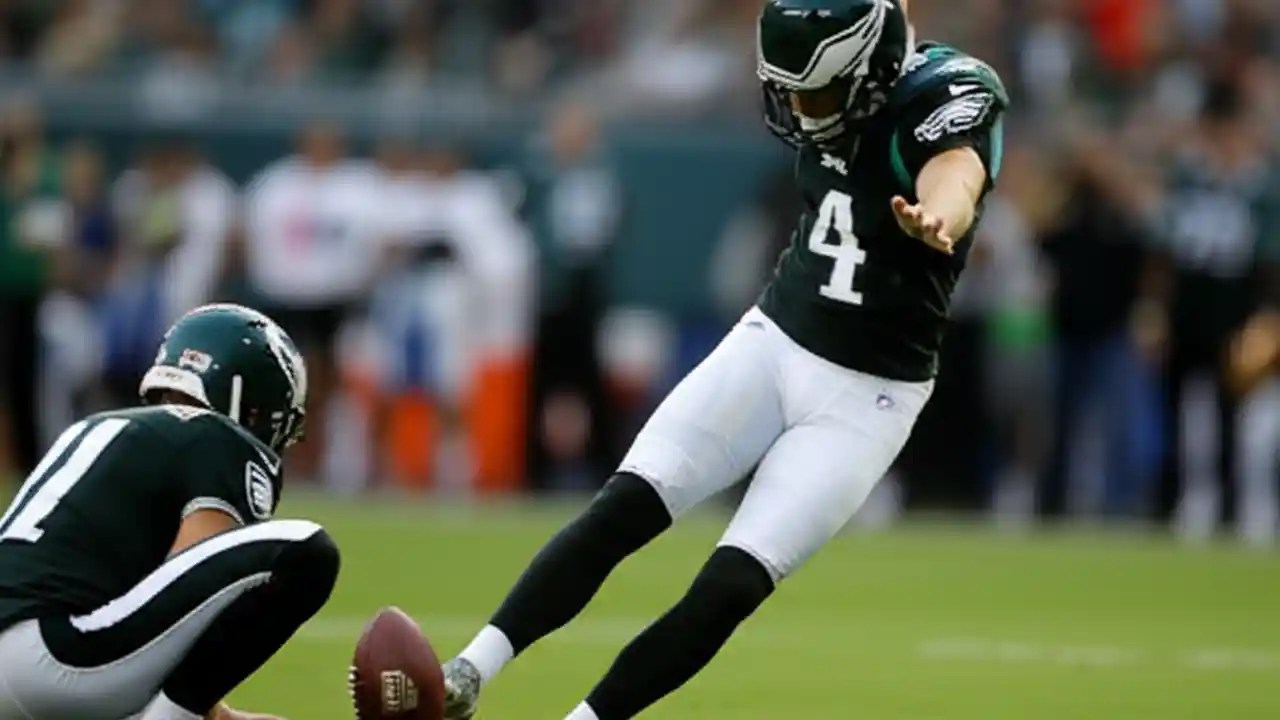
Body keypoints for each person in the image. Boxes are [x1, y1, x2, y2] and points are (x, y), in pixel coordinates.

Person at [441, 1, 1008, 718]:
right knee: (625, 507)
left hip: (870, 395)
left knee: (731, 585)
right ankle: (468, 671)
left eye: (817, 90)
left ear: (875, 68)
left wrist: (939, 218)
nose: (801, 108)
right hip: (775, 339)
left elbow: (955, 173)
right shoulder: (843, 66)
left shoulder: (951, 93)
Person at [0, 304, 339, 720]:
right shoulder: (217, 438)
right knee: (306, 550)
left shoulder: (98, 428)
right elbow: (195, 589)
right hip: (55, 655)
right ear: (252, 400)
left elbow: (159, 625)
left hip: (40, 657)